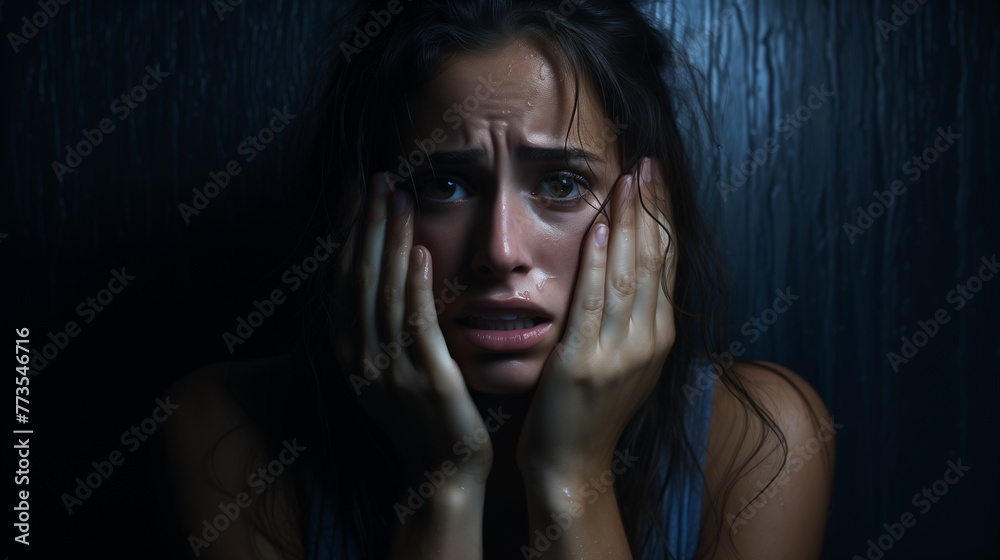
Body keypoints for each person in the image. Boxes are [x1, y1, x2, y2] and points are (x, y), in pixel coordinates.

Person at [165, 1, 835, 559]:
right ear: (357, 217)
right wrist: (443, 488)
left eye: (562, 183)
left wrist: (571, 480)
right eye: (445, 184)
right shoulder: (229, 435)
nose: (499, 250)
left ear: (649, 217)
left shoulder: (756, 441)